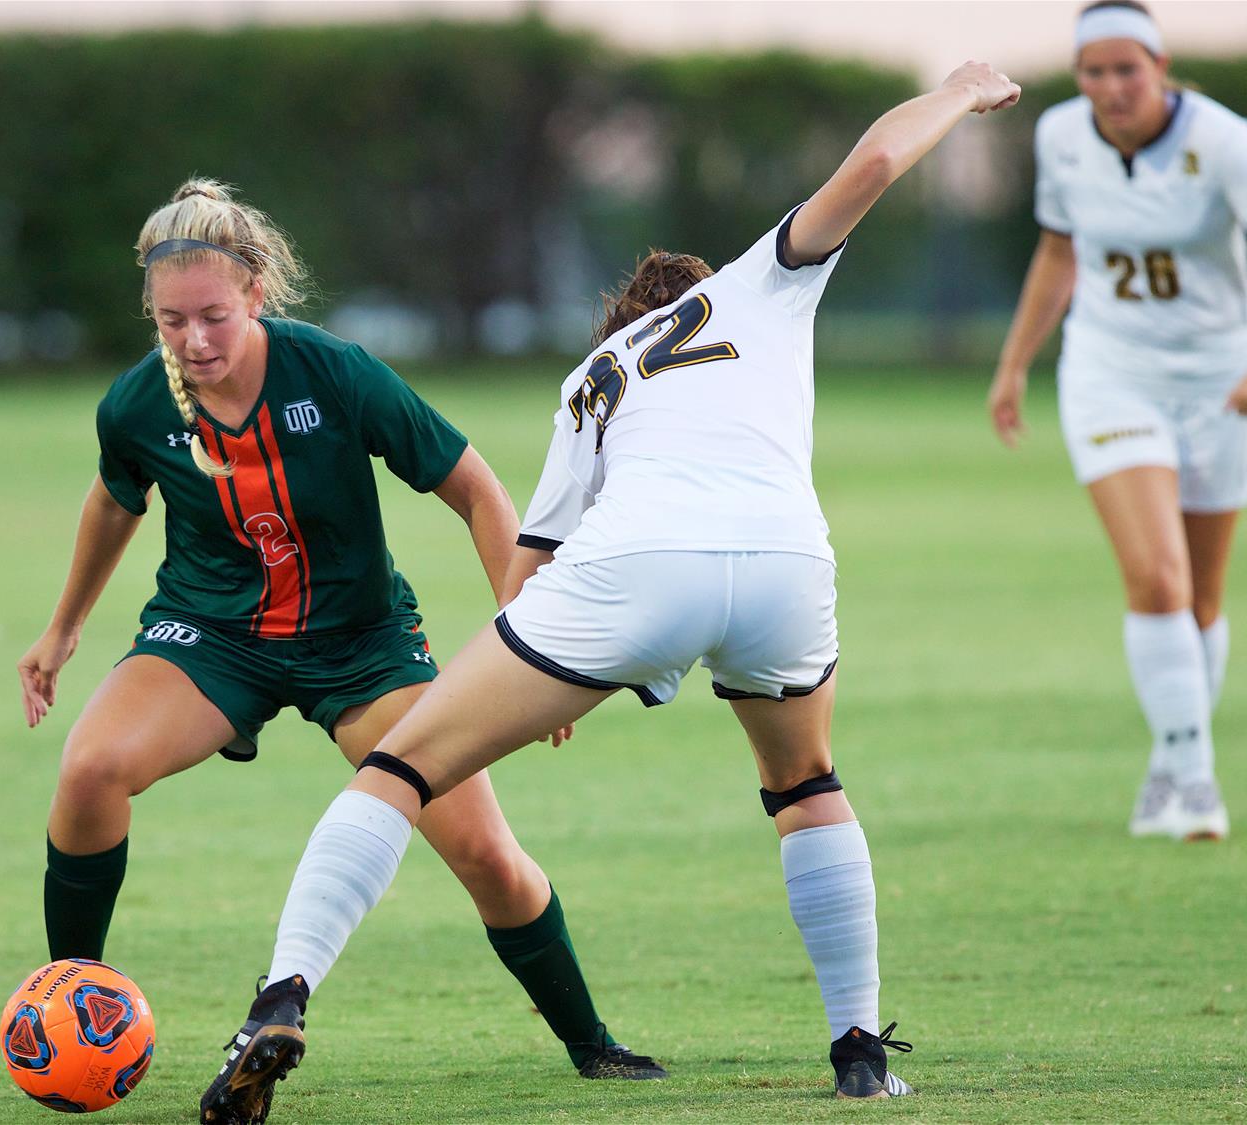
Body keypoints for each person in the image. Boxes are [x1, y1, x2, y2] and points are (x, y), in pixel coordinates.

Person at [194, 63, 1024, 1120]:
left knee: (401, 766)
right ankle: (858, 1050)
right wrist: (958, 91)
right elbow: (872, 160)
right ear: (701, 285)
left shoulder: (593, 377)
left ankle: (281, 996)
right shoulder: (756, 283)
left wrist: (534, 682)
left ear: (621, 318)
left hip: (636, 568)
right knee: (806, 784)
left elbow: (534, 557)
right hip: (785, 562)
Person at [15, 179, 664, 1121]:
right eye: (171, 321)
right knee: (89, 769)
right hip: (210, 636)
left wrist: (531, 641)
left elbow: (480, 492)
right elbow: (116, 497)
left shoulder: (335, 374)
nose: (193, 340)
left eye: (213, 316)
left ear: (256, 294)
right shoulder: (137, 403)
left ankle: (591, 1043)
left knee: (483, 850)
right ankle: (72, 1005)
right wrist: (64, 626)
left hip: (363, 646)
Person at [986, 0, 1247, 840]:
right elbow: (1059, 253)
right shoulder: (1060, 136)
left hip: (1222, 381)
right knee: (1158, 579)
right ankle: (1195, 779)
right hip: (1112, 375)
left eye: (1126, 69)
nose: (1110, 87)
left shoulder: (1223, 139)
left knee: (1202, 600)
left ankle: (1168, 770)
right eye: (1093, 71)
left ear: (1161, 67)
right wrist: (1015, 361)